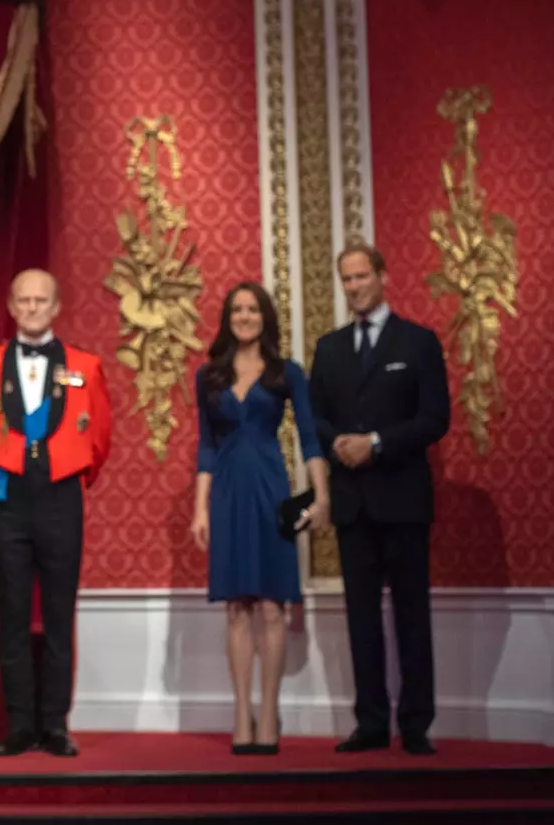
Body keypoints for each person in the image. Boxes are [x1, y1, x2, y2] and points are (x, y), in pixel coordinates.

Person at [309, 242, 450, 756]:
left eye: (361, 276)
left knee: (412, 614)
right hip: (352, 504)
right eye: (345, 279)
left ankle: (415, 723)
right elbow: (314, 418)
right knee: (360, 617)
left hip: (404, 501)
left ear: (383, 276)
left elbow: (435, 419)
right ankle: (370, 722)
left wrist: (376, 444)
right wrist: (339, 444)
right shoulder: (328, 349)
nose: (353, 287)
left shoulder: (419, 343)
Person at [0, 268, 112, 757]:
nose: (31, 308)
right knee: (11, 615)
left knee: (57, 615)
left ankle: (55, 724)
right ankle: (20, 724)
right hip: (8, 500)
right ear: (11, 305)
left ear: (55, 307)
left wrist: (72, 472)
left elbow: (102, 433)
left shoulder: (84, 366)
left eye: (40, 300)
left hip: (60, 497)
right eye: (23, 300)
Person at [189, 282, 330, 755]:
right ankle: (240, 714)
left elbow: (310, 438)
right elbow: (206, 446)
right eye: (237, 309)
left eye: (252, 309)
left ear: (265, 317)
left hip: (271, 491)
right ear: (227, 317)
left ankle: (268, 712)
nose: (244, 316)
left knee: (272, 606)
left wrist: (322, 495)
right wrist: (199, 508)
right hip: (227, 493)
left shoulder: (287, 374)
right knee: (237, 607)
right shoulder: (208, 376)